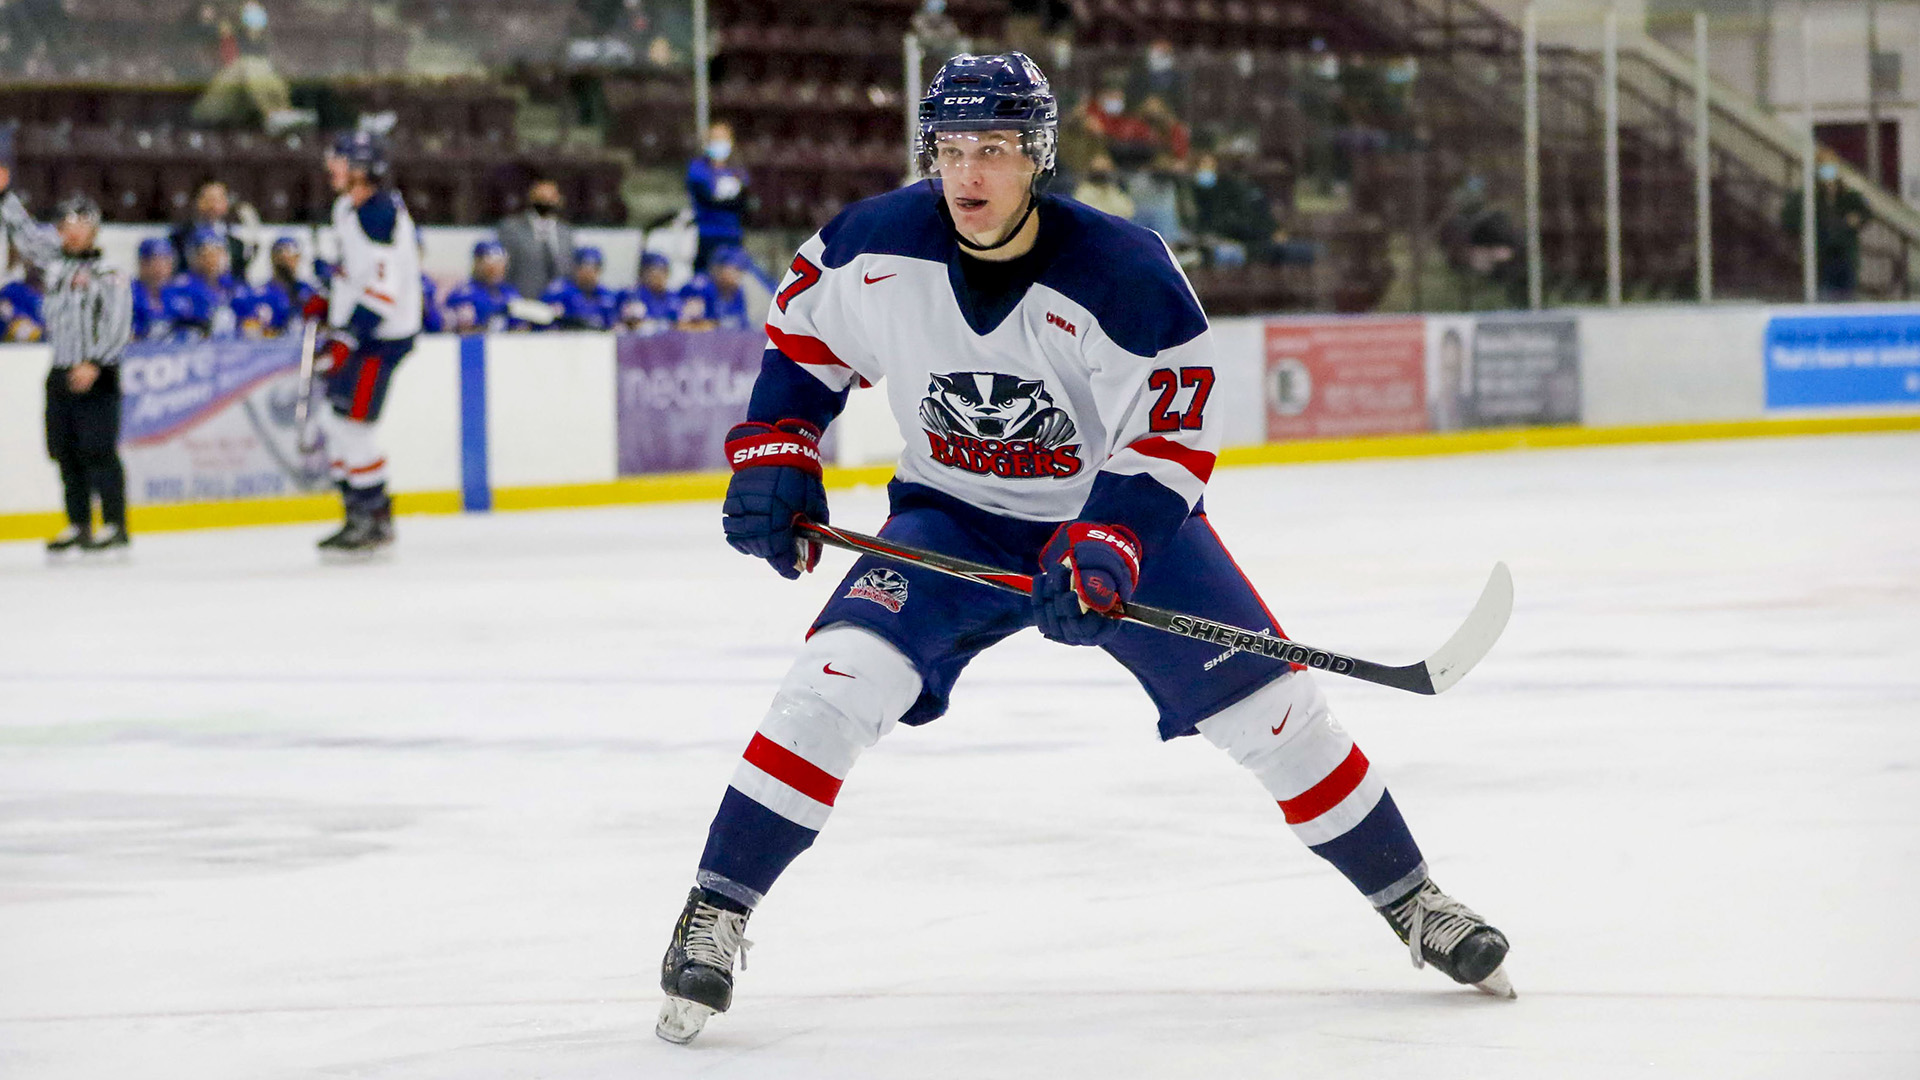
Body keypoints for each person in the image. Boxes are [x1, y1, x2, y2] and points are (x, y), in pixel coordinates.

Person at [654, 52, 1514, 1046]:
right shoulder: (872, 245)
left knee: (1281, 718)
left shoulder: (1123, 269)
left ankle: (1413, 900)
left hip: (1112, 523)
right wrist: (777, 447)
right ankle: (716, 908)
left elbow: (1170, 436)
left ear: (1039, 156)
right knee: (828, 685)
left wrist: (1108, 541)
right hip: (949, 520)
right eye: (952, 148)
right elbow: (805, 347)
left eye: (996, 149)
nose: (969, 173)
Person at [0, 182, 134, 555]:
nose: (71, 229)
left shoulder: (109, 273)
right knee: (65, 450)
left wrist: (95, 362)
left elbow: (119, 324)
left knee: (99, 449)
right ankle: (78, 523)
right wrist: (6, 196)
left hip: (97, 371)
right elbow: (25, 238)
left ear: (94, 228)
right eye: (65, 222)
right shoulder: (55, 264)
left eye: (80, 222)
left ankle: (114, 523)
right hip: (60, 369)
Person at [307, 130, 423, 553]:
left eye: (338, 158)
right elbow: (351, 273)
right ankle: (357, 512)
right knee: (332, 423)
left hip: (381, 339)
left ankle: (375, 517)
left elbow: (382, 294)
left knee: (351, 427)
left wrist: (345, 337)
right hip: (361, 335)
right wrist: (325, 298)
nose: (329, 166)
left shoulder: (379, 216)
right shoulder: (347, 208)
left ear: (361, 168)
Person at [1781, 149, 1870, 301]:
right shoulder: (1809, 194)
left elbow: (1865, 212)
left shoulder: (1847, 193)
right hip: (1822, 258)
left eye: (1831, 166)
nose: (1828, 172)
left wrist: (1856, 220)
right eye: (1824, 167)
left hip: (1845, 256)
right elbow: (1788, 218)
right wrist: (1806, 227)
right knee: (1825, 297)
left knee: (1848, 298)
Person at [687, 121, 750, 272]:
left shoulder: (737, 170)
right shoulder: (698, 168)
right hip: (706, 234)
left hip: (732, 234)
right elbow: (705, 198)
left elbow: (743, 201)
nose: (719, 143)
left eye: (722, 139)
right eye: (715, 139)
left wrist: (723, 201)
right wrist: (728, 201)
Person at [498, 177, 574, 301]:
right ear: (531, 199)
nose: (546, 203)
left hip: (558, 305)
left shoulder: (565, 232)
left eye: (550, 198)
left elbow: (568, 269)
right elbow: (504, 269)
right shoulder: (512, 229)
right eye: (541, 198)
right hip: (523, 301)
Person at [163, 227, 244, 340]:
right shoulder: (181, 285)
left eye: (216, 252)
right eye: (204, 254)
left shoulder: (231, 284)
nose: (211, 259)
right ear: (193, 257)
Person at [167, 178, 253, 278]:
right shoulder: (179, 237)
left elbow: (239, 277)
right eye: (208, 199)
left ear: (226, 204)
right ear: (196, 201)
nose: (213, 206)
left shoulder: (236, 243)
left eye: (219, 200)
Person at [444, 239, 524, 334]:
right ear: (477, 262)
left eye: (500, 262)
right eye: (492, 263)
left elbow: (521, 327)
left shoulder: (509, 292)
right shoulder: (463, 293)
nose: (497, 268)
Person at [676, 245, 755, 331]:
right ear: (717, 268)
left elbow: (742, 325)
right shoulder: (699, 287)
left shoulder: (737, 292)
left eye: (740, 270)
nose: (737, 275)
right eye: (735, 269)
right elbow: (686, 327)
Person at [540, 245, 618, 330]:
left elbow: (612, 327)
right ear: (575, 268)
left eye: (594, 269)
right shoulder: (558, 292)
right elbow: (543, 326)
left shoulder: (606, 296)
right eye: (585, 269)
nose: (589, 274)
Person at [618, 250, 684, 334]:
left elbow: (682, 325)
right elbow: (633, 325)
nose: (659, 277)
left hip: (669, 342)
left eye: (663, 271)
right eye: (654, 272)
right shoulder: (633, 295)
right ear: (644, 273)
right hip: (640, 343)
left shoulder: (673, 297)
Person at [130, 237, 181, 340]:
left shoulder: (177, 292)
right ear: (142, 263)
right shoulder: (129, 293)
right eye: (155, 261)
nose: (161, 267)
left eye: (166, 260)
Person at [1071, 151, 1133, 220]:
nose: (1102, 174)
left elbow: (1128, 211)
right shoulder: (1083, 192)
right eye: (1098, 171)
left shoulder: (1114, 191)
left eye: (1104, 171)